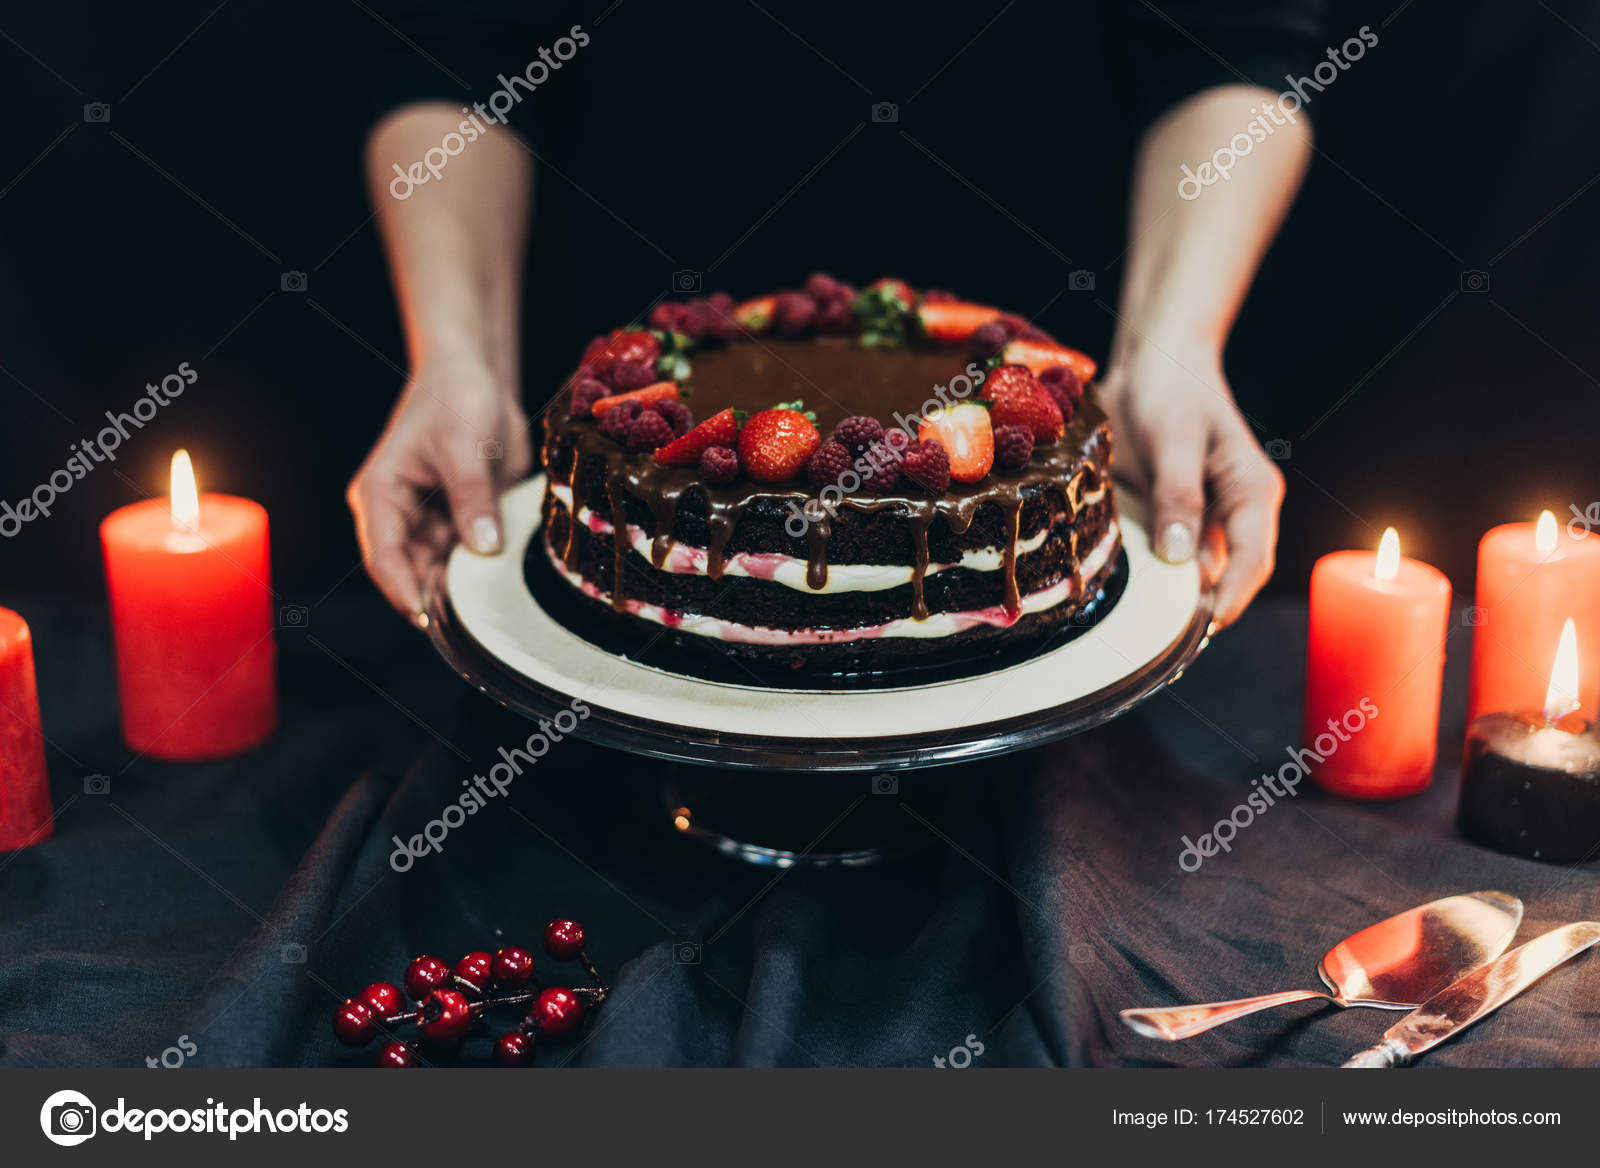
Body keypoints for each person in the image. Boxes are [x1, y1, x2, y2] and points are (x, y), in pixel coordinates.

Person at [348, 2, 1319, 630]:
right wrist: (457, 358)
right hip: (632, 264)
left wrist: (1172, 344)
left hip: (1055, 243)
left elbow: (1235, 34)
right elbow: (454, 36)